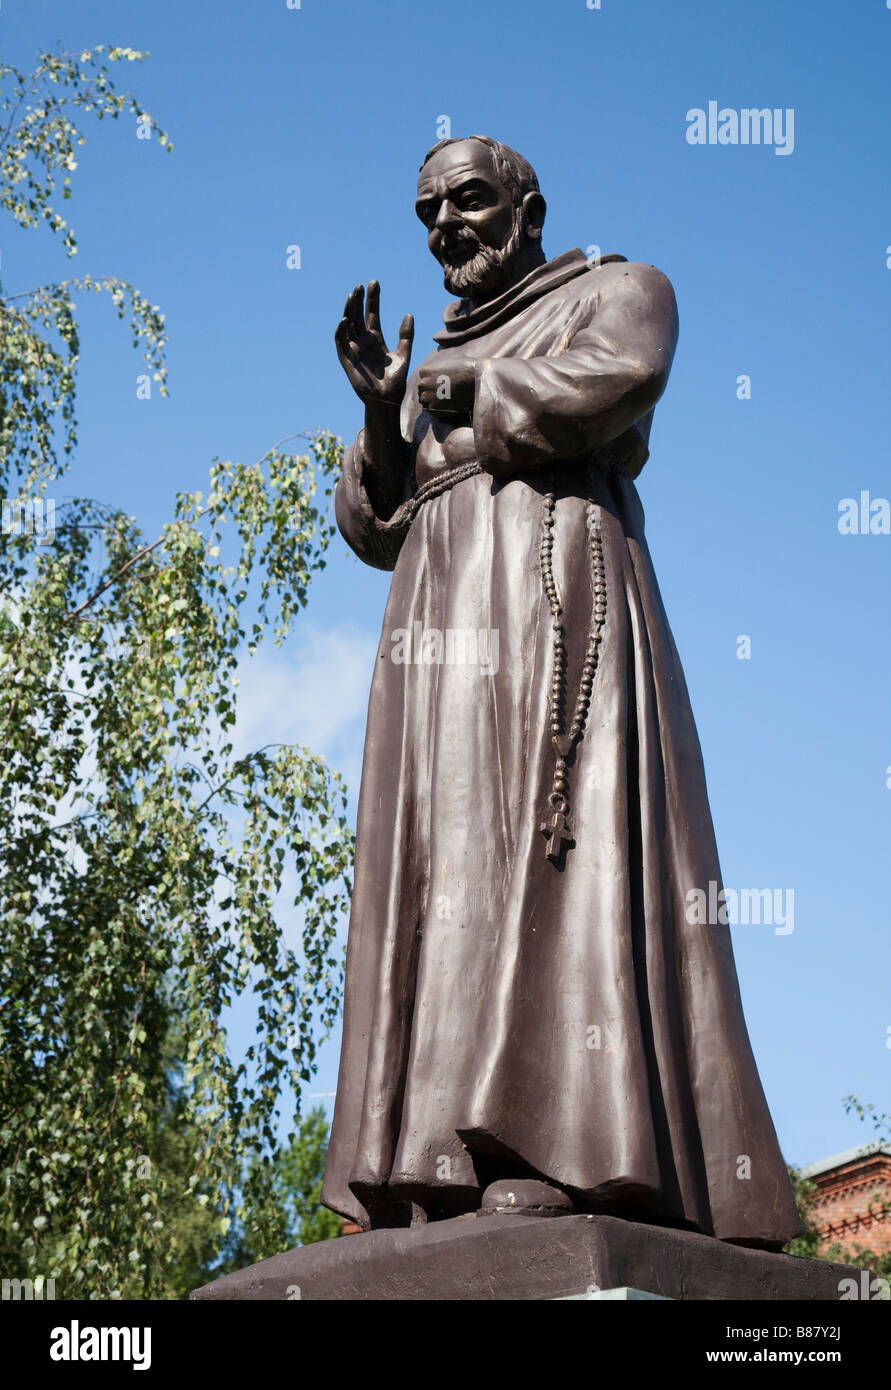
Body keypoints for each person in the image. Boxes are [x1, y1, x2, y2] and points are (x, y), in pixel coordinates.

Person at [321, 135, 799, 1248]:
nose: (448, 226)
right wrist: (383, 426)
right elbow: (368, 525)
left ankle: (555, 1144)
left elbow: (615, 382)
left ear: (528, 208)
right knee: (437, 877)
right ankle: (426, 1156)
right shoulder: (426, 357)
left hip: (547, 594)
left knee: (551, 853)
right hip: (436, 621)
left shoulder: (616, 290)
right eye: (429, 210)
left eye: (471, 201)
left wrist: (464, 386)